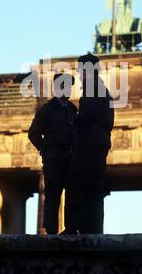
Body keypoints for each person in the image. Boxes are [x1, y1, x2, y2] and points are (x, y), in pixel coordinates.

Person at [62, 53, 114, 234]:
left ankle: (72, 227)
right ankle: (93, 230)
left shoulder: (92, 87)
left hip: (89, 142)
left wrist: (73, 120)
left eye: (80, 69)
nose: (79, 73)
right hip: (101, 142)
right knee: (94, 188)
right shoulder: (103, 89)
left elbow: (89, 114)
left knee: (74, 182)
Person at [28, 73, 77, 234]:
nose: (68, 89)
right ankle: (51, 231)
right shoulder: (47, 109)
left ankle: (70, 227)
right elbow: (33, 133)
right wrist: (44, 149)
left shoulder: (72, 109)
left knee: (72, 193)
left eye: (69, 86)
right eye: (64, 86)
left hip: (70, 158)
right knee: (53, 195)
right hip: (54, 159)